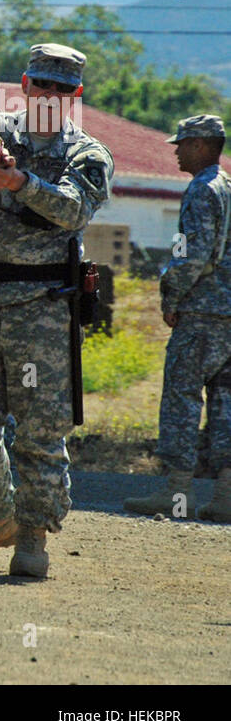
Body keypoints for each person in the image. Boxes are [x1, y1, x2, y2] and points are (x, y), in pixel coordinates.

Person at [0, 43, 114, 578]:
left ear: (75, 95)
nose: (50, 96)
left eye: (61, 89)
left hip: (41, 307)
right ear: (25, 83)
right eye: (42, 85)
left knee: (40, 426)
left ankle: (32, 536)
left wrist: (19, 183)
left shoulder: (87, 154)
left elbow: (72, 208)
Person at [124, 114, 231, 522]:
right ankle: (225, 496)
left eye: (182, 144)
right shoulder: (227, 188)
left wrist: (171, 290)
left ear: (203, 146)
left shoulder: (201, 190)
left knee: (182, 397)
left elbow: (192, 252)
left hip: (202, 311)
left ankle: (176, 492)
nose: (176, 151)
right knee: (225, 401)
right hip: (228, 313)